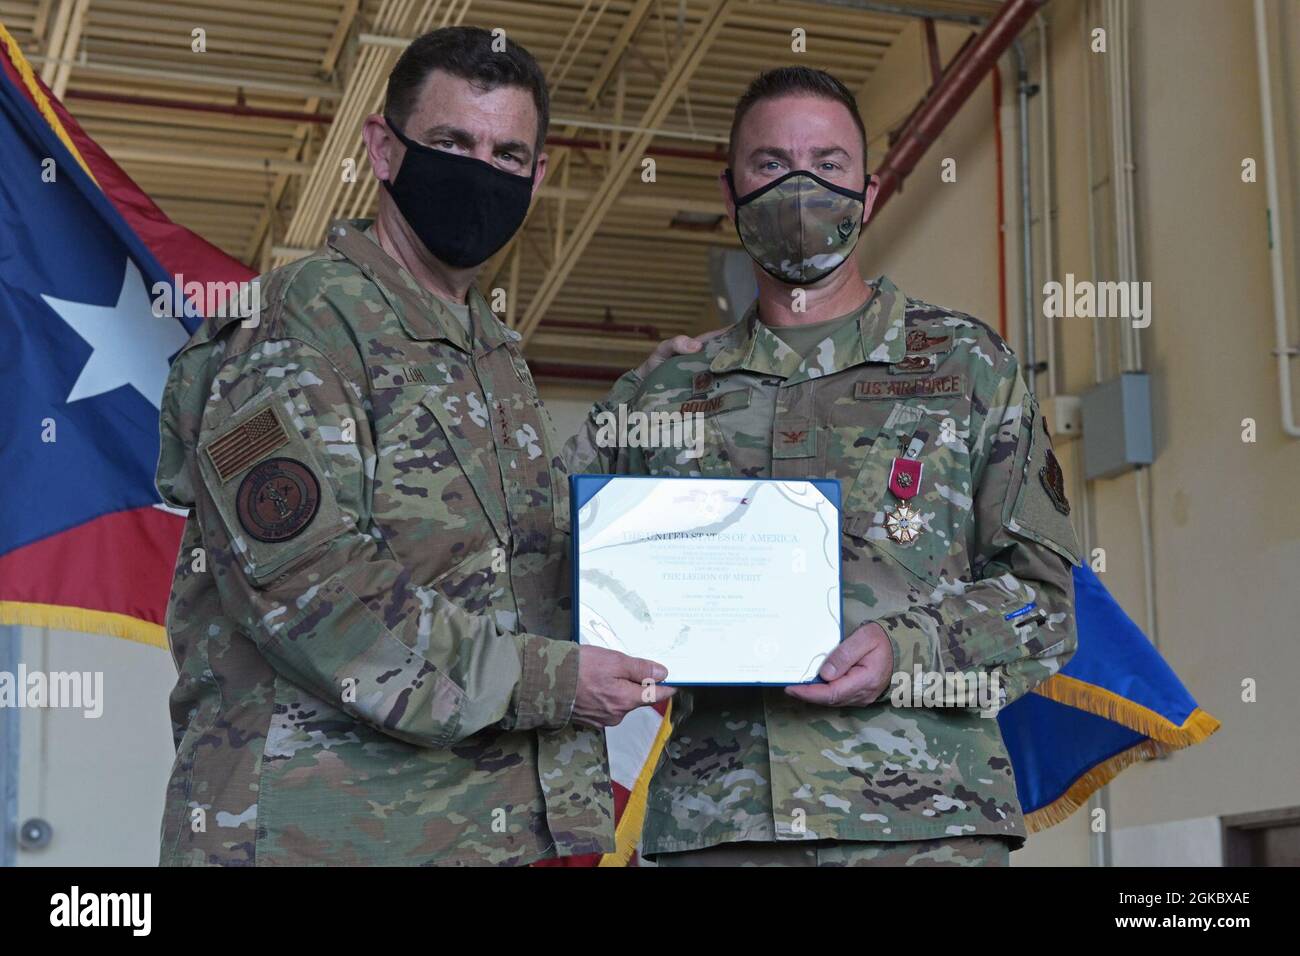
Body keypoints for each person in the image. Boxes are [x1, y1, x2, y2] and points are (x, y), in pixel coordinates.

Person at [154, 25, 693, 866]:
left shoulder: (489, 353)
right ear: (383, 147)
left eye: (509, 155)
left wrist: (643, 410)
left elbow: (519, 567)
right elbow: (312, 589)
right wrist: (553, 681)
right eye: (451, 142)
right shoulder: (301, 322)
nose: (481, 171)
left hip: (486, 833)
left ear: (538, 175)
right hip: (324, 834)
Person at [568, 66, 1083, 867]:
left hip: (925, 827)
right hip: (723, 827)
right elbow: (552, 558)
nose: (801, 185)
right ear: (731, 188)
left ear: (869, 194)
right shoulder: (664, 392)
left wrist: (903, 652)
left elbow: (1044, 609)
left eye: (828, 164)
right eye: (771, 164)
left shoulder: (968, 367)